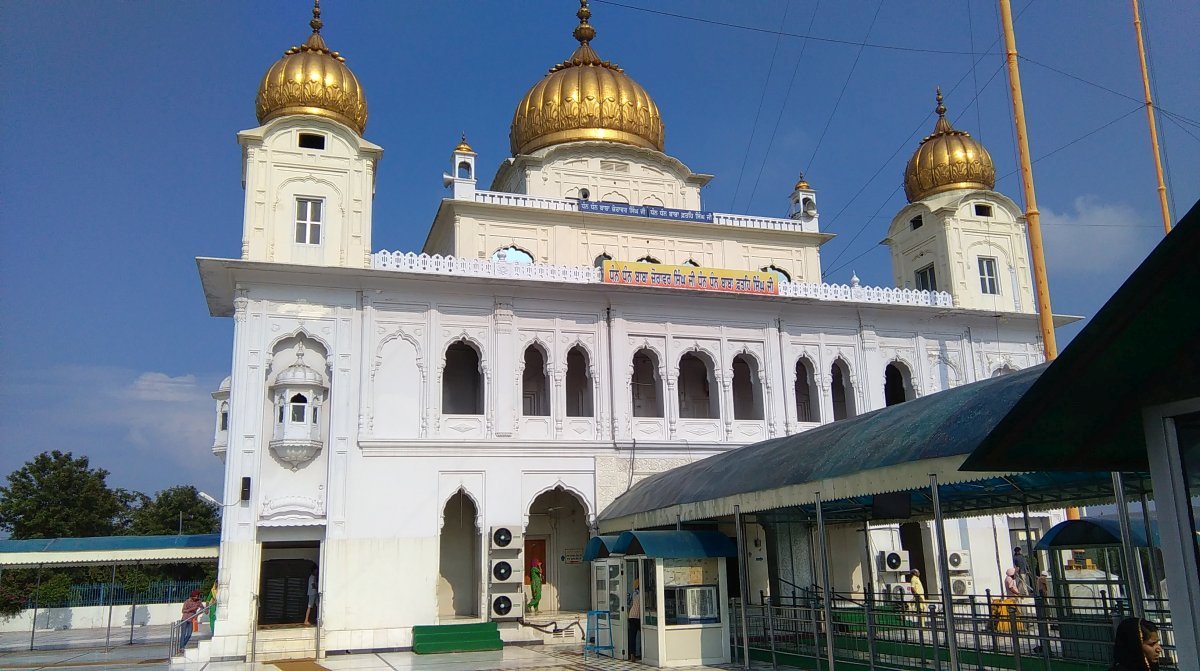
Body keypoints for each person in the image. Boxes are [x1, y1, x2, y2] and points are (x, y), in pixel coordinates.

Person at [627, 578, 642, 661]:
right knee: (643, 634)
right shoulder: (641, 594)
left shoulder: (634, 593)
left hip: (631, 616)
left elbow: (631, 604)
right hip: (637, 617)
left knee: (632, 636)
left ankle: (632, 655)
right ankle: (641, 653)